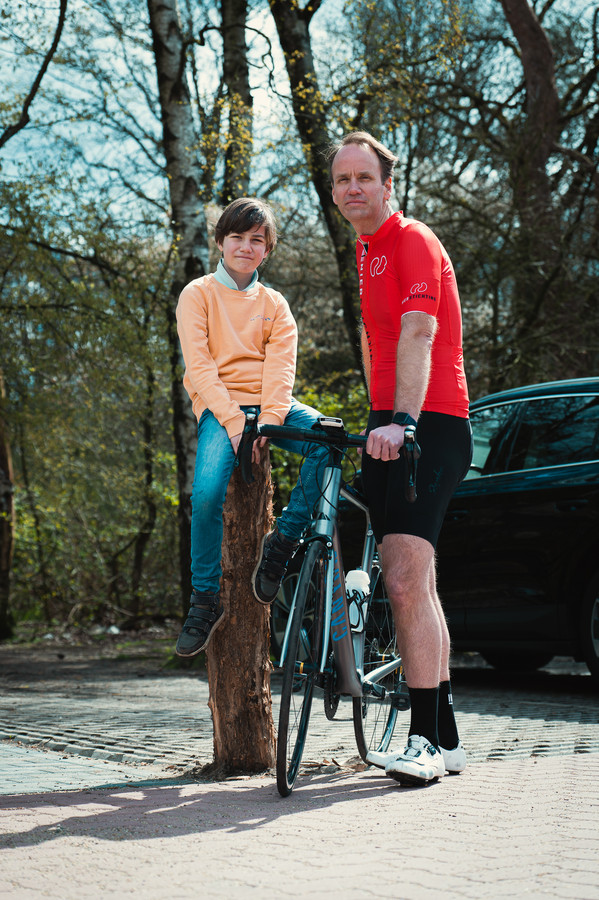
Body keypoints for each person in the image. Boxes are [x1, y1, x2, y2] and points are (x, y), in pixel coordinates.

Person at [328, 132, 472, 786]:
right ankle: (447, 737)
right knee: (416, 583)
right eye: (342, 179)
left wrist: (404, 421)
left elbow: (419, 330)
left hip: (430, 423)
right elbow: (374, 342)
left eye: (364, 177)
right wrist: (376, 418)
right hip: (389, 424)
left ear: (388, 186)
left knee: (407, 582)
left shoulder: (412, 239)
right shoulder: (366, 252)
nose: (353, 187)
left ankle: (423, 742)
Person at [175, 197, 326, 658]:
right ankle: (205, 598)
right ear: (220, 242)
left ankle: (283, 541)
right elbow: (200, 369)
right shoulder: (197, 294)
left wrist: (269, 425)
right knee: (205, 494)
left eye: (256, 240)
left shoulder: (275, 304)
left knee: (330, 440)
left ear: (267, 249)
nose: (245, 246)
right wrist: (237, 424)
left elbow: (281, 373)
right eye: (236, 237)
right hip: (221, 409)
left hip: (273, 406)